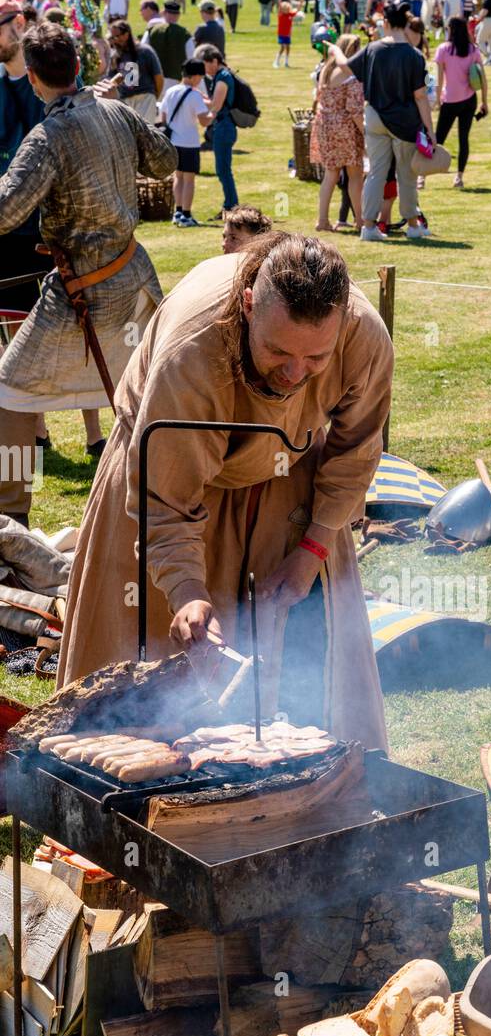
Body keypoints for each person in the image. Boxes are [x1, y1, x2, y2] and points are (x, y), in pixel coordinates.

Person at [57, 233, 393, 759]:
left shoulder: (364, 336)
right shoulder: (193, 350)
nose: (294, 373)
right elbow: (164, 502)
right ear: (247, 306)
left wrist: (313, 551)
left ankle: (318, 785)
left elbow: (356, 453)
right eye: (278, 351)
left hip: (286, 470)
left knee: (302, 647)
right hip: (165, 470)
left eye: (315, 358)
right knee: (147, 650)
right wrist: (187, 589)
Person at [0, 22, 176, 524]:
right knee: (149, 389)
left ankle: (10, 522)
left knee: (8, 392)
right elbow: (164, 161)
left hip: (81, 290)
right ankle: (156, 501)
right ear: (79, 67)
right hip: (133, 277)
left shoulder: (46, 137)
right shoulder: (117, 112)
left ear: (33, 79)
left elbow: (5, 213)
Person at [327, 2, 433, 243]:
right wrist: (430, 129)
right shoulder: (414, 55)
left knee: (376, 172)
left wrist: (335, 50)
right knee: (405, 174)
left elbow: (345, 67)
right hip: (405, 121)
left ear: (385, 22)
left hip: (374, 116)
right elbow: (420, 96)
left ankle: (368, 225)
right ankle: (413, 224)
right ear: (405, 24)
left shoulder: (372, 49)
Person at [0, 0, 52, 315]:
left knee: (64, 328)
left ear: (19, 23)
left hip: (49, 226)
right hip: (6, 228)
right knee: (13, 323)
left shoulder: (55, 78)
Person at [311, 33, 364, 231]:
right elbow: (354, 108)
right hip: (345, 127)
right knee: (355, 174)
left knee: (330, 174)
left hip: (324, 124)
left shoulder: (326, 69)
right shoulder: (350, 74)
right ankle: (360, 220)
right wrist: (365, 132)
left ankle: (322, 220)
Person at [158, 58, 212, 228]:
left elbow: (164, 117)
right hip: (189, 141)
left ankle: (178, 212)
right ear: (195, 76)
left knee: (178, 177)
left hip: (173, 140)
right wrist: (215, 112)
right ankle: (187, 215)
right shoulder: (195, 95)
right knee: (189, 179)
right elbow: (204, 122)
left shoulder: (171, 91)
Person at [434, 16, 487, 190]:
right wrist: (484, 102)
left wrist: (436, 99)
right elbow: (482, 78)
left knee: (438, 139)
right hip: (469, 100)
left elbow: (439, 79)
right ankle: (459, 177)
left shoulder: (444, 49)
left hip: (450, 100)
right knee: (463, 139)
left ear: (450, 29)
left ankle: (422, 176)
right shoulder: (473, 50)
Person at [199, 43, 238, 215]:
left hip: (224, 127)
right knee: (223, 169)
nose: (205, 70)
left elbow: (216, 106)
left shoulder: (222, 77)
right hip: (224, 126)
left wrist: (200, 99)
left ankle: (231, 206)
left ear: (214, 61)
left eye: (206, 65)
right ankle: (230, 204)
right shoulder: (223, 75)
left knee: (223, 169)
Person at [108, 19, 163, 122]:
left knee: (146, 133)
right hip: (126, 101)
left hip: (145, 98)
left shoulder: (145, 51)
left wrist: (154, 96)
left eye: (118, 36)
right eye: (113, 37)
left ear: (127, 34)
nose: (115, 39)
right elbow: (112, 81)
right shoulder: (115, 56)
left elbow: (158, 77)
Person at [144, 0, 193, 91]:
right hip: (177, 81)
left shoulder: (152, 30)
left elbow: (143, 51)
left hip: (155, 79)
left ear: (164, 13)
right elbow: (191, 58)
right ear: (178, 15)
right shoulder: (185, 34)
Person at [274, 0, 298, 67]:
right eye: (285, 9)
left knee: (288, 47)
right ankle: (276, 61)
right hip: (281, 34)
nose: (287, 10)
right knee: (282, 47)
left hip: (287, 35)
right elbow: (279, 7)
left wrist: (301, 3)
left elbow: (297, 10)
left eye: (288, 9)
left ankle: (286, 62)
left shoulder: (290, 15)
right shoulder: (280, 15)